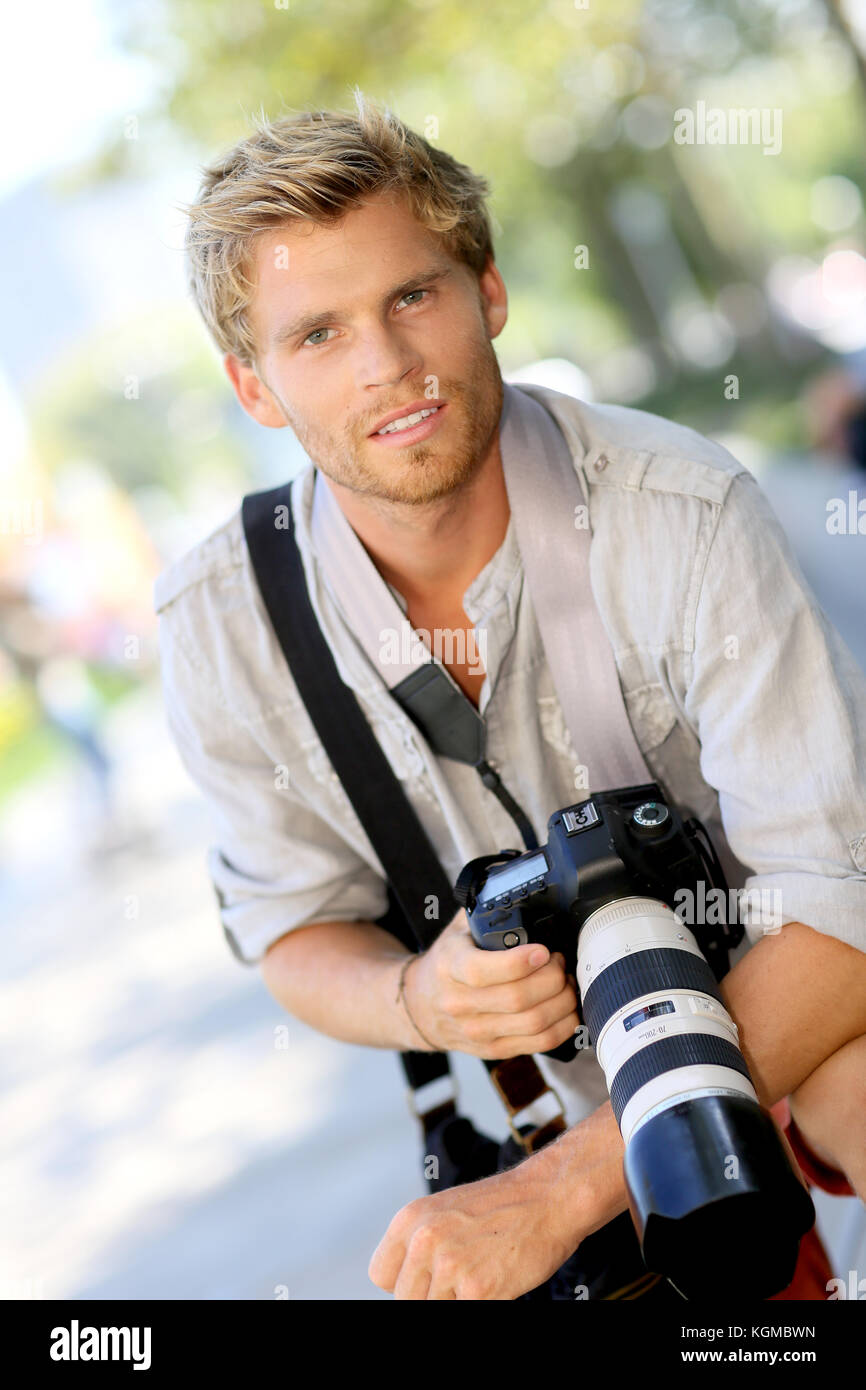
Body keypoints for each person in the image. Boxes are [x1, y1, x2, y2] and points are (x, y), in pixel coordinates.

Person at [156, 90, 866, 1301]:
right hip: (544, 1106)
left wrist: (564, 1187)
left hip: (793, 1026)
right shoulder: (218, 624)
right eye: (316, 334)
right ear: (255, 388)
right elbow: (289, 928)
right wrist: (417, 993)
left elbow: (845, 904)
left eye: (410, 296)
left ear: (485, 291)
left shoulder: (677, 509)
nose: (387, 366)